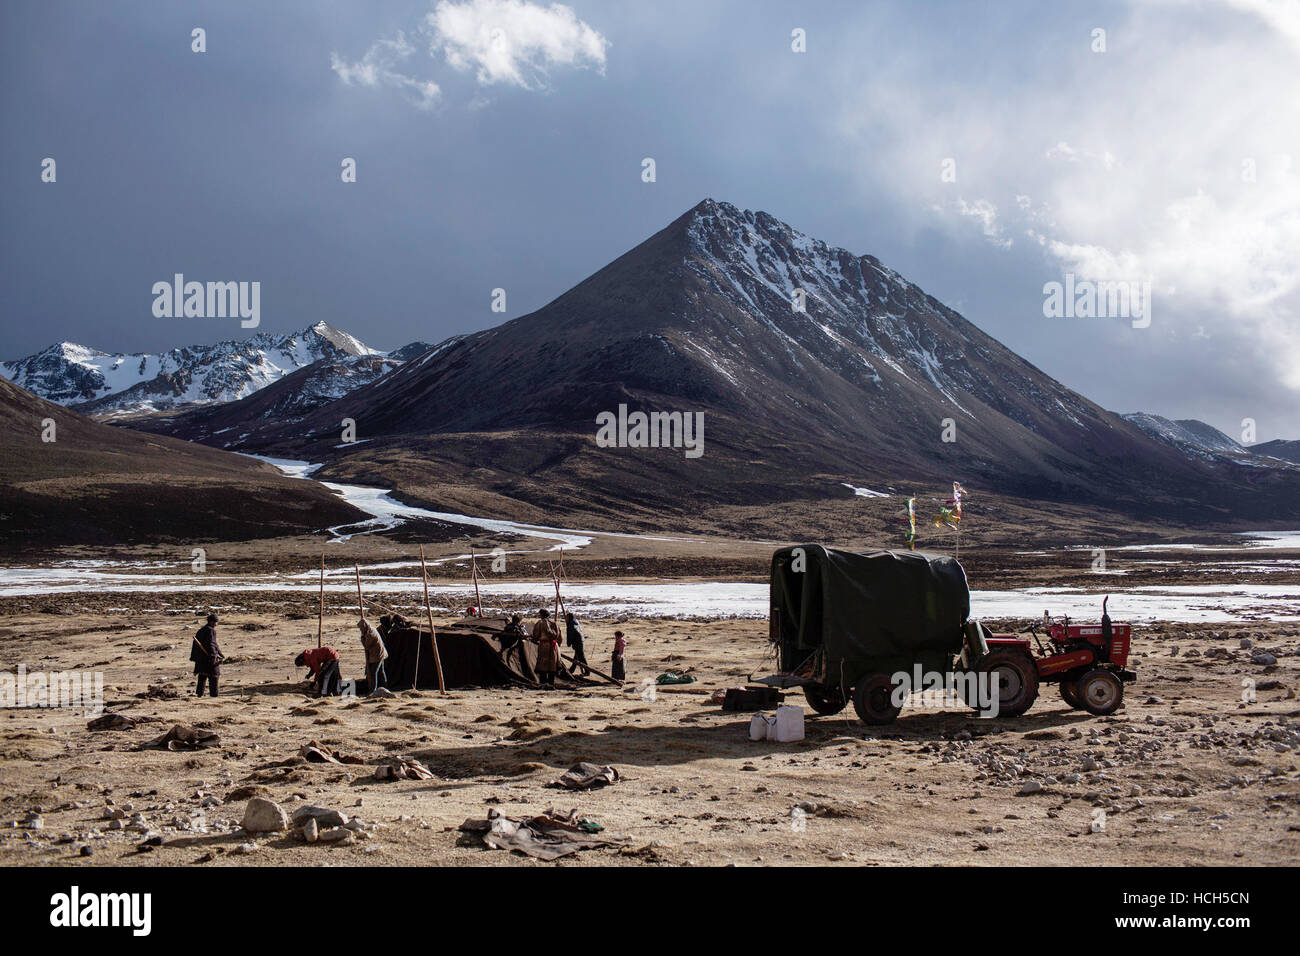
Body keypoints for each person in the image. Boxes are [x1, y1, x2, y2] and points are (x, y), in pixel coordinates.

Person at [190, 613, 222, 698]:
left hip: (201, 659)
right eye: (216, 622)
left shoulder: (202, 630)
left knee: (202, 676)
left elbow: (214, 644)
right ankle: (214, 695)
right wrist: (213, 655)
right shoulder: (210, 630)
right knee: (214, 676)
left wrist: (220, 653)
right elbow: (211, 644)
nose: (216, 624)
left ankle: (199, 694)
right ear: (212, 622)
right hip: (208, 658)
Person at [531, 608, 561, 687]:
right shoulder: (555, 623)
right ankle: (551, 682)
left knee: (543, 665)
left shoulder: (540, 623)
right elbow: (559, 637)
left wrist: (534, 638)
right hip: (555, 647)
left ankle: (543, 683)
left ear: (541, 615)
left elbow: (535, 636)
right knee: (553, 665)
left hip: (545, 646)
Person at [357, 618, 388, 693]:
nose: (360, 630)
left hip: (377, 654)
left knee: (373, 672)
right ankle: (385, 687)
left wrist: (362, 638)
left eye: (361, 628)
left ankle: (372, 690)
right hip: (379, 653)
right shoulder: (370, 630)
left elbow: (366, 646)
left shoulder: (370, 633)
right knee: (381, 671)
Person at [565, 611, 590, 677]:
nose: (566, 619)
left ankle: (587, 671)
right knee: (577, 657)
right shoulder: (575, 622)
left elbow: (570, 635)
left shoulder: (571, 625)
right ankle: (571, 670)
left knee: (581, 657)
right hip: (580, 641)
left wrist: (569, 643)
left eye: (566, 617)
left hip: (577, 642)